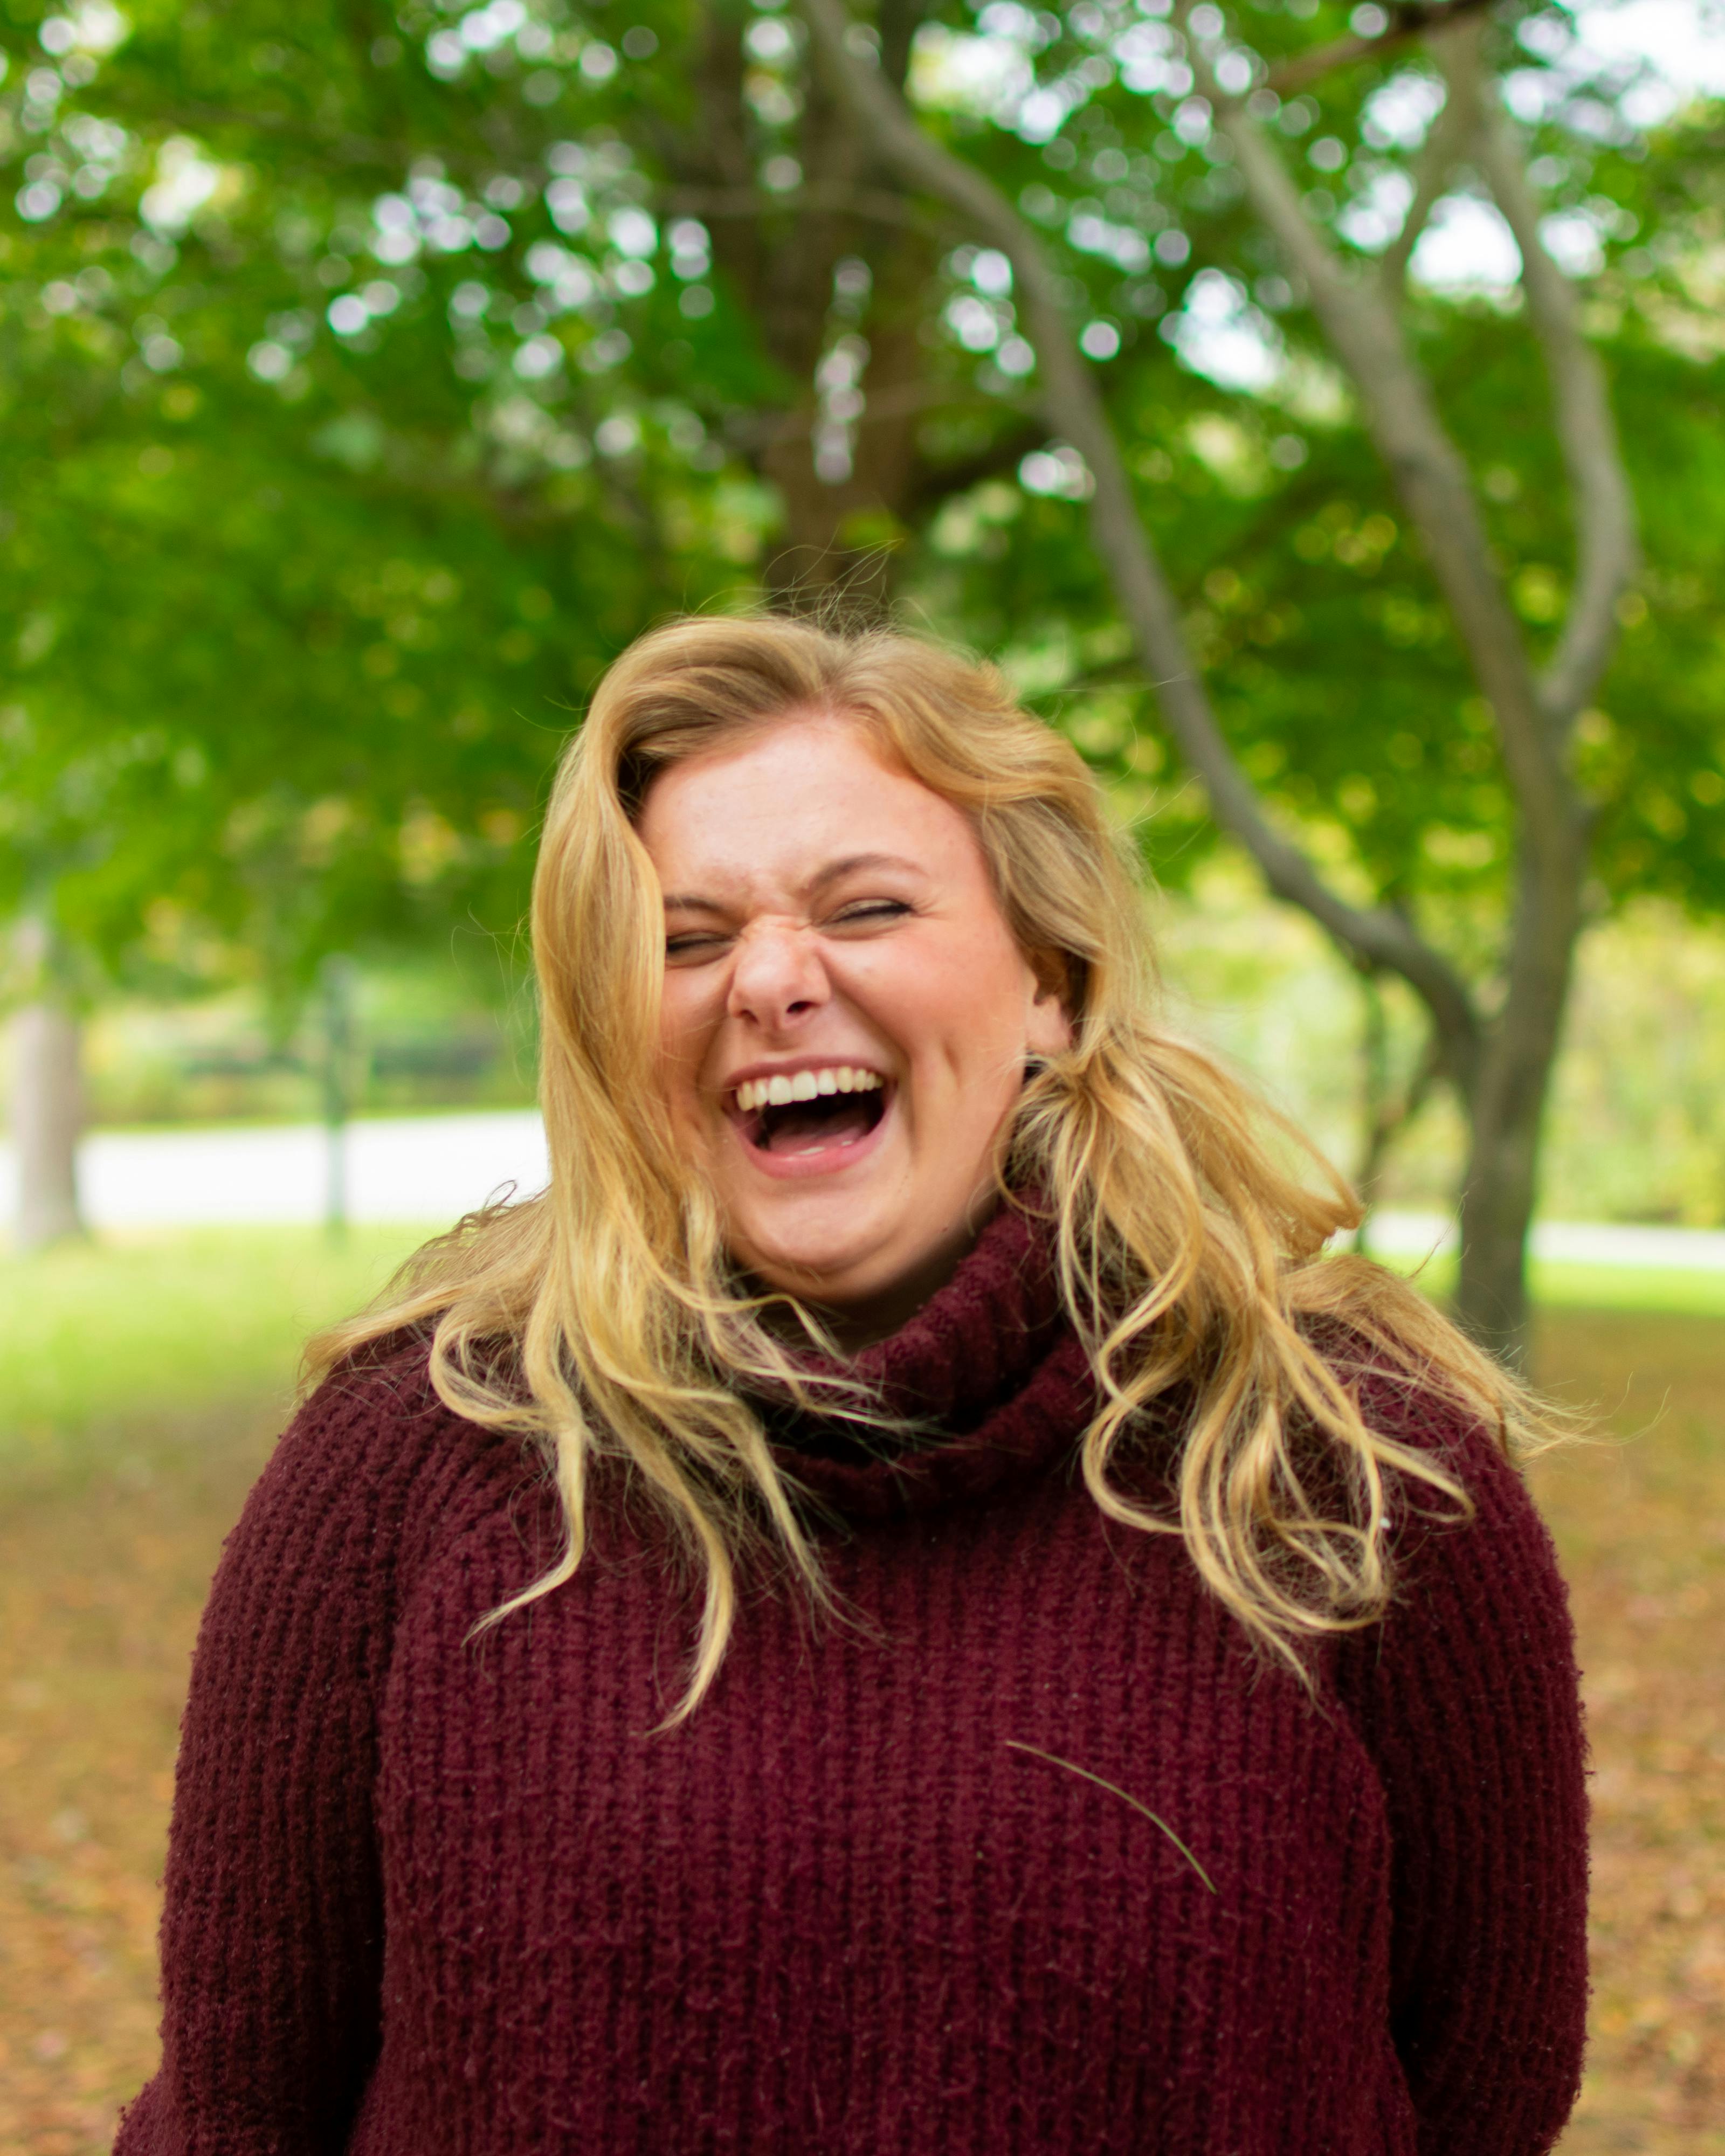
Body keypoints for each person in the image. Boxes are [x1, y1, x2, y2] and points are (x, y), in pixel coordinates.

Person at [118, 616, 1586, 2156]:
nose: (769, 980)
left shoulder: (1353, 1462)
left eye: (865, 907)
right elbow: (233, 2114)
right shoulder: (422, 1454)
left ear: (1052, 982)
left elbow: (1482, 2092)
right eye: (685, 940)